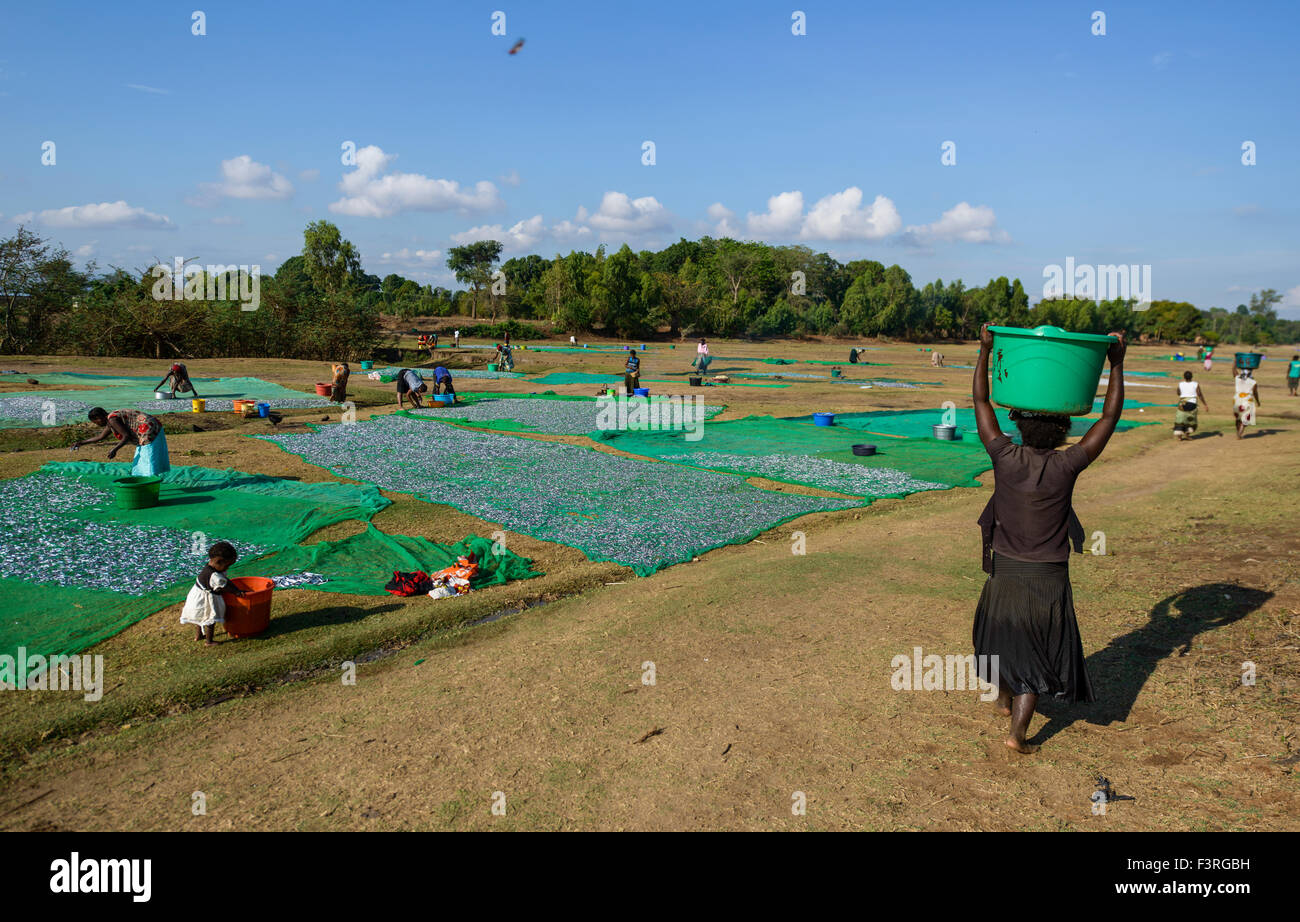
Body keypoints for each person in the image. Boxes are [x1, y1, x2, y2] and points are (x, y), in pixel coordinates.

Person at [971, 323, 1127, 754]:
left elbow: (981, 399)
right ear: (1062, 432)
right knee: (1038, 652)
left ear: (1018, 426)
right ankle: (1017, 735)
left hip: (1005, 567)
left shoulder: (1002, 454)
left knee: (1004, 634)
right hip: (1047, 575)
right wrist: (1116, 364)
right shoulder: (1069, 463)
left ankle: (1005, 703)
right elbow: (1109, 417)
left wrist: (985, 351)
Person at [179, 541, 248, 645]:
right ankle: (209, 641)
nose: (227, 568)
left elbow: (225, 580)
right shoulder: (214, 576)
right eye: (227, 565)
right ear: (219, 561)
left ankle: (199, 636)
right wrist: (237, 592)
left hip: (197, 595)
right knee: (210, 619)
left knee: (201, 617)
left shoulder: (210, 567)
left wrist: (235, 587)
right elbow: (223, 585)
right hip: (205, 598)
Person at [71, 407, 171, 476]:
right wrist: (81, 442)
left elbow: (126, 436)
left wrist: (115, 449)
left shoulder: (112, 420)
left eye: (95, 421)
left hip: (148, 428)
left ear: (99, 418)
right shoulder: (111, 419)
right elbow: (101, 436)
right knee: (144, 456)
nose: (96, 424)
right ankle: (147, 476)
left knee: (147, 456)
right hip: (150, 426)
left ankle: (149, 478)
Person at [1173, 370, 1209, 440]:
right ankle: (1187, 434)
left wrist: (1183, 392)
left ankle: (1179, 437)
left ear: (1184, 377)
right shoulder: (1196, 384)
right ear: (1192, 377)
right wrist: (1205, 404)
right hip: (1192, 404)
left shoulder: (1181, 384)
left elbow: (1178, 393)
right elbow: (1200, 394)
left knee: (1180, 419)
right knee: (1191, 420)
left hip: (1182, 404)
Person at [1232, 365, 1260, 438]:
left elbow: (1233, 369)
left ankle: (1238, 432)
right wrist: (1258, 402)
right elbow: (1255, 393)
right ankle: (1239, 433)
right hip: (1247, 400)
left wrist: (1235, 360)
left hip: (1236, 400)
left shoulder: (1237, 378)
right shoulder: (1253, 382)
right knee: (1245, 419)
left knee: (1238, 418)